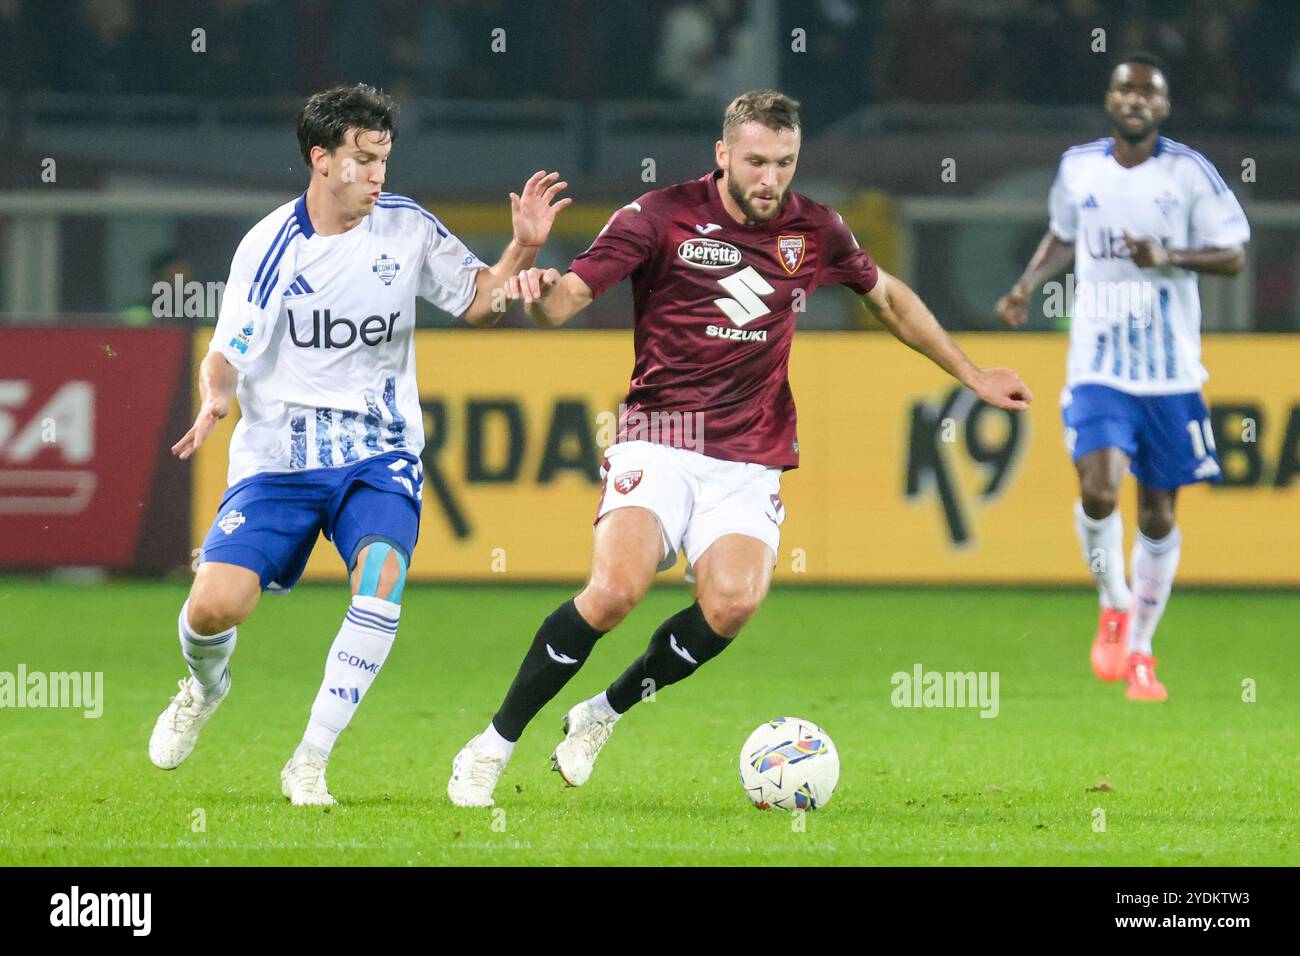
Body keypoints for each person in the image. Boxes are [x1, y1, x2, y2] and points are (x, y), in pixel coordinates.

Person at [448, 89, 1032, 807]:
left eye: (784, 162)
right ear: (723, 154)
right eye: (755, 161)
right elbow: (561, 303)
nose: (769, 178)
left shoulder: (815, 229)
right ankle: (492, 745)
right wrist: (534, 267)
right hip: (660, 435)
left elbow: (889, 300)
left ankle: (602, 713)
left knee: (729, 606)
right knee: (615, 592)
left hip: (749, 453)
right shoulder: (655, 217)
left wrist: (971, 372)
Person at [148, 83, 570, 804]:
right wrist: (216, 391)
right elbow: (225, 354)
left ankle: (309, 760)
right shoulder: (271, 247)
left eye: (385, 160)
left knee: (380, 579)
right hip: (281, 459)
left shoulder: (406, 227)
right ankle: (202, 686)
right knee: (215, 608)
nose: (379, 175)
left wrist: (523, 248)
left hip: (380, 452)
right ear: (322, 159)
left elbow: (479, 305)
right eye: (365, 160)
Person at [996, 53, 1249, 701]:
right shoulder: (1079, 166)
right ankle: (1114, 601)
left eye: (1148, 92)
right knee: (1101, 489)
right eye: (1124, 89)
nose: (1135, 99)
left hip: (1170, 374)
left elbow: (1232, 255)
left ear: (1163, 107)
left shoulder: (1189, 173)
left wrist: (1168, 255)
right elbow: (1062, 235)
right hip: (1099, 365)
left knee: (1159, 515)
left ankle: (1141, 649)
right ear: (1110, 100)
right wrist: (1027, 284)